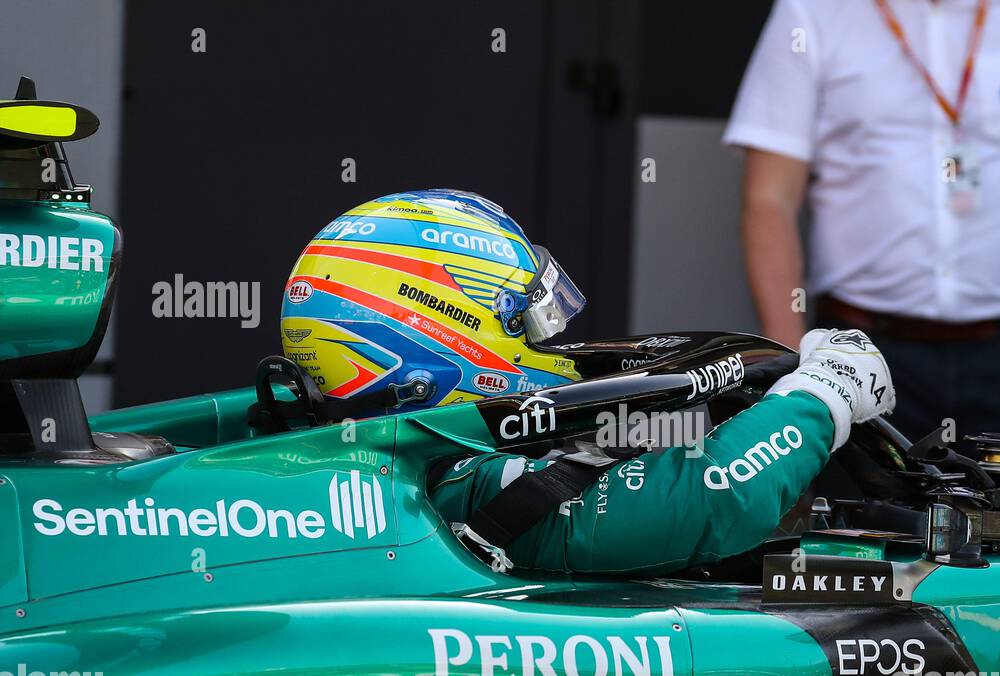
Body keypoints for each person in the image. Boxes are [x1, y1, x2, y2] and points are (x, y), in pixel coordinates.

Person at [280, 189, 894, 574]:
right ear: (440, 335)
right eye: (529, 322)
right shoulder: (452, 486)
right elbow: (710, 496)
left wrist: (710, 411)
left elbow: (600, 447)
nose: (551, 342)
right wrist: (824, 394)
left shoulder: (352, 449)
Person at [724, 0, 1000, 488]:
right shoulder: (811, 13)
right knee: (855, 534)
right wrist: (794, 370)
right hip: (858, 358)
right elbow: (769, 201)